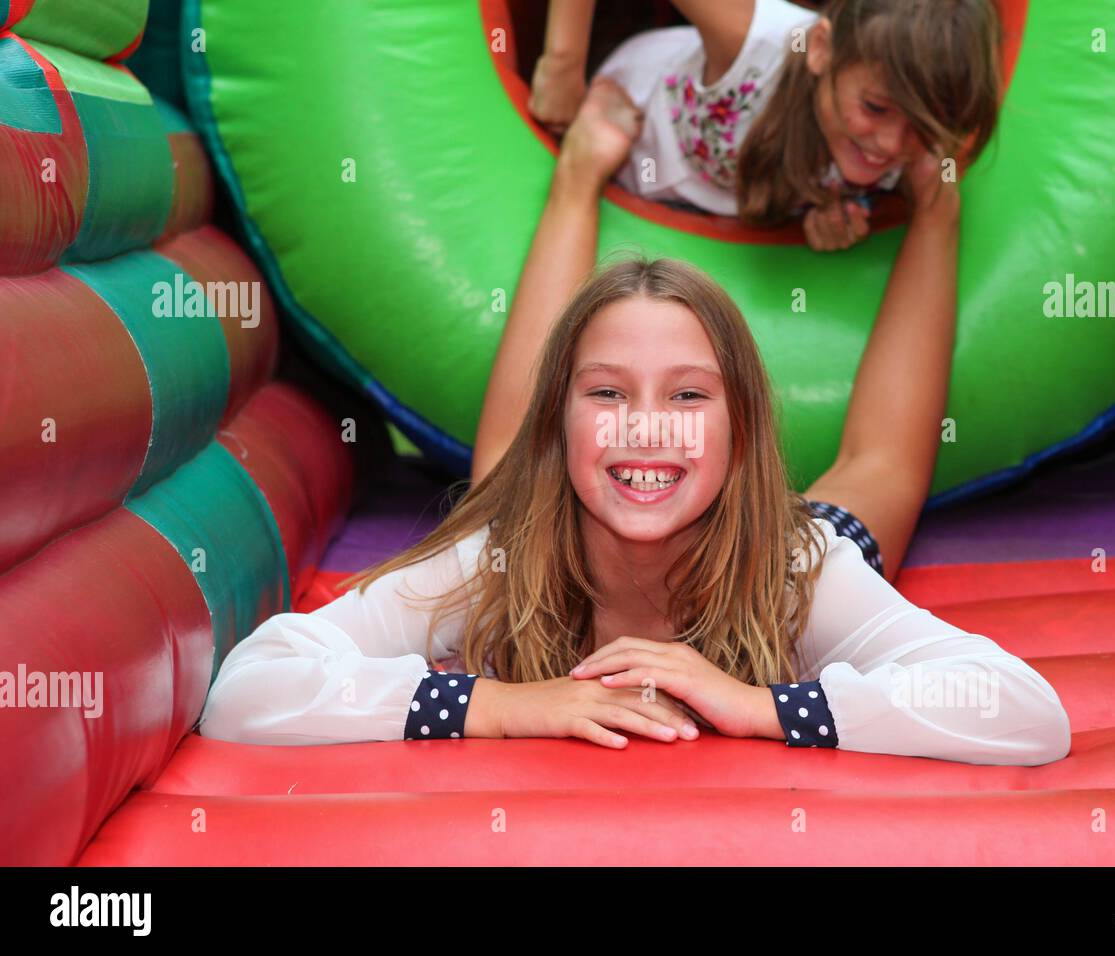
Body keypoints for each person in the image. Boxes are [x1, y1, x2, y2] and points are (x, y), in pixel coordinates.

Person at [197, 110, 1069, 763]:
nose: (650, 423)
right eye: (611, 392)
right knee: (510, 476)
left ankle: (936, 211)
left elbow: (1027, 709)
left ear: (742, 432)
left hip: (761, 537)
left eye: (690, 394)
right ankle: (580, 175)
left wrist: (759, 704)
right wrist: (494, 705)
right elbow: (245, 690)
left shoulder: (804, 568)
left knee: (877, 468)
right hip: (545, 512)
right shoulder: (492, 560)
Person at [527, 0, 1001, 249]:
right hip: (634, 136)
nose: (892, 143)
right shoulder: (753, 43)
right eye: (876, 107)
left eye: (921, 125)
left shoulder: (923, 133)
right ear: (821, 50)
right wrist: (564, 64)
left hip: (724, 213)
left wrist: (825, 215)